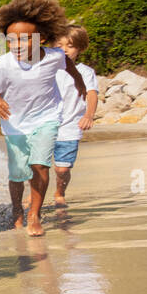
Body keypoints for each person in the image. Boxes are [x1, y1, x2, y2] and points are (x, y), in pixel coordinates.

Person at [0, 0, 88, 236]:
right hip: (15, 125)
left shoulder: (54, 56)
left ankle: (34, 214)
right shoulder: (3, 64)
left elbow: (70, 66)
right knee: (18, 173)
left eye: (24, 39)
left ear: (41, 38)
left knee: (40, 165)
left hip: (47, 118)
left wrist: (80, 82)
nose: (16, 45)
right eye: (11, 40)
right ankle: (17, 210)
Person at [50, 22, 99, 205]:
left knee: (62, 169)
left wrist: (89, 115)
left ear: (79, 48)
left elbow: (92, 94)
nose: (64, 50)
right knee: (38, 166)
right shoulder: (47, 69)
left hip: (69, 126)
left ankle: (59, 192)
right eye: (59, 46)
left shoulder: (85, 72)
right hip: (43, 125)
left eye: (70, 46)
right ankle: (35, 195)